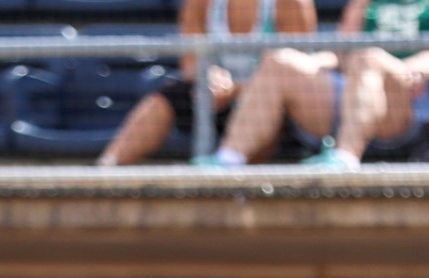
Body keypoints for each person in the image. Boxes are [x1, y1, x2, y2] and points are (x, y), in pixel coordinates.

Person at [195, 0, 429, 169]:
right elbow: (344, 48)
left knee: (368, 57)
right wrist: (315, 62)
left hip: (418, 96)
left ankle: (344, 159)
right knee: (280, 60)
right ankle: (227, 161)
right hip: (355, 88)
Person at [96, 0, 319, 167]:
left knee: (265, 112)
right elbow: (190, 61)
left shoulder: (290, 3)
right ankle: (105, 170)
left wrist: (237, 89)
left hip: (271, 103)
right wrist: (208, 77)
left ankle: (239, 190)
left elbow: (296, 72)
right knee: (166, 97)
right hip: (214, 97)